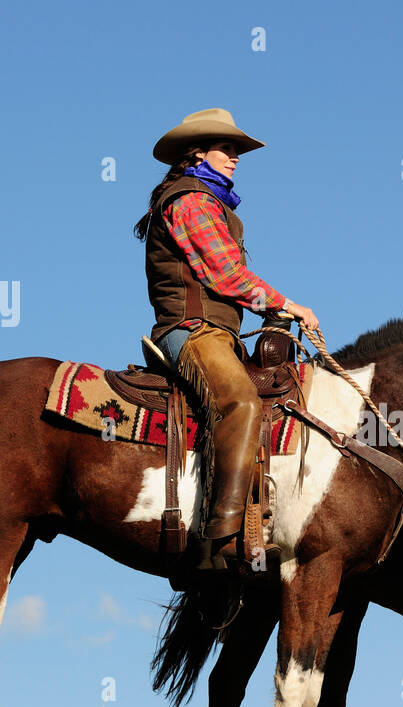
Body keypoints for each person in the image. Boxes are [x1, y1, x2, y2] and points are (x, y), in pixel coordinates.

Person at [134, 108, 317, 571]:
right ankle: (222, 539)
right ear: (198, 151)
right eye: (228, 149)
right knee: (241, 403)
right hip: (190, 331)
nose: (236, 158)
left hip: (217, 333)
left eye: (237, 150)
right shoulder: (191, 200)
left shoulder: (210, 201)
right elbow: (225, 274)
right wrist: (288, 304)